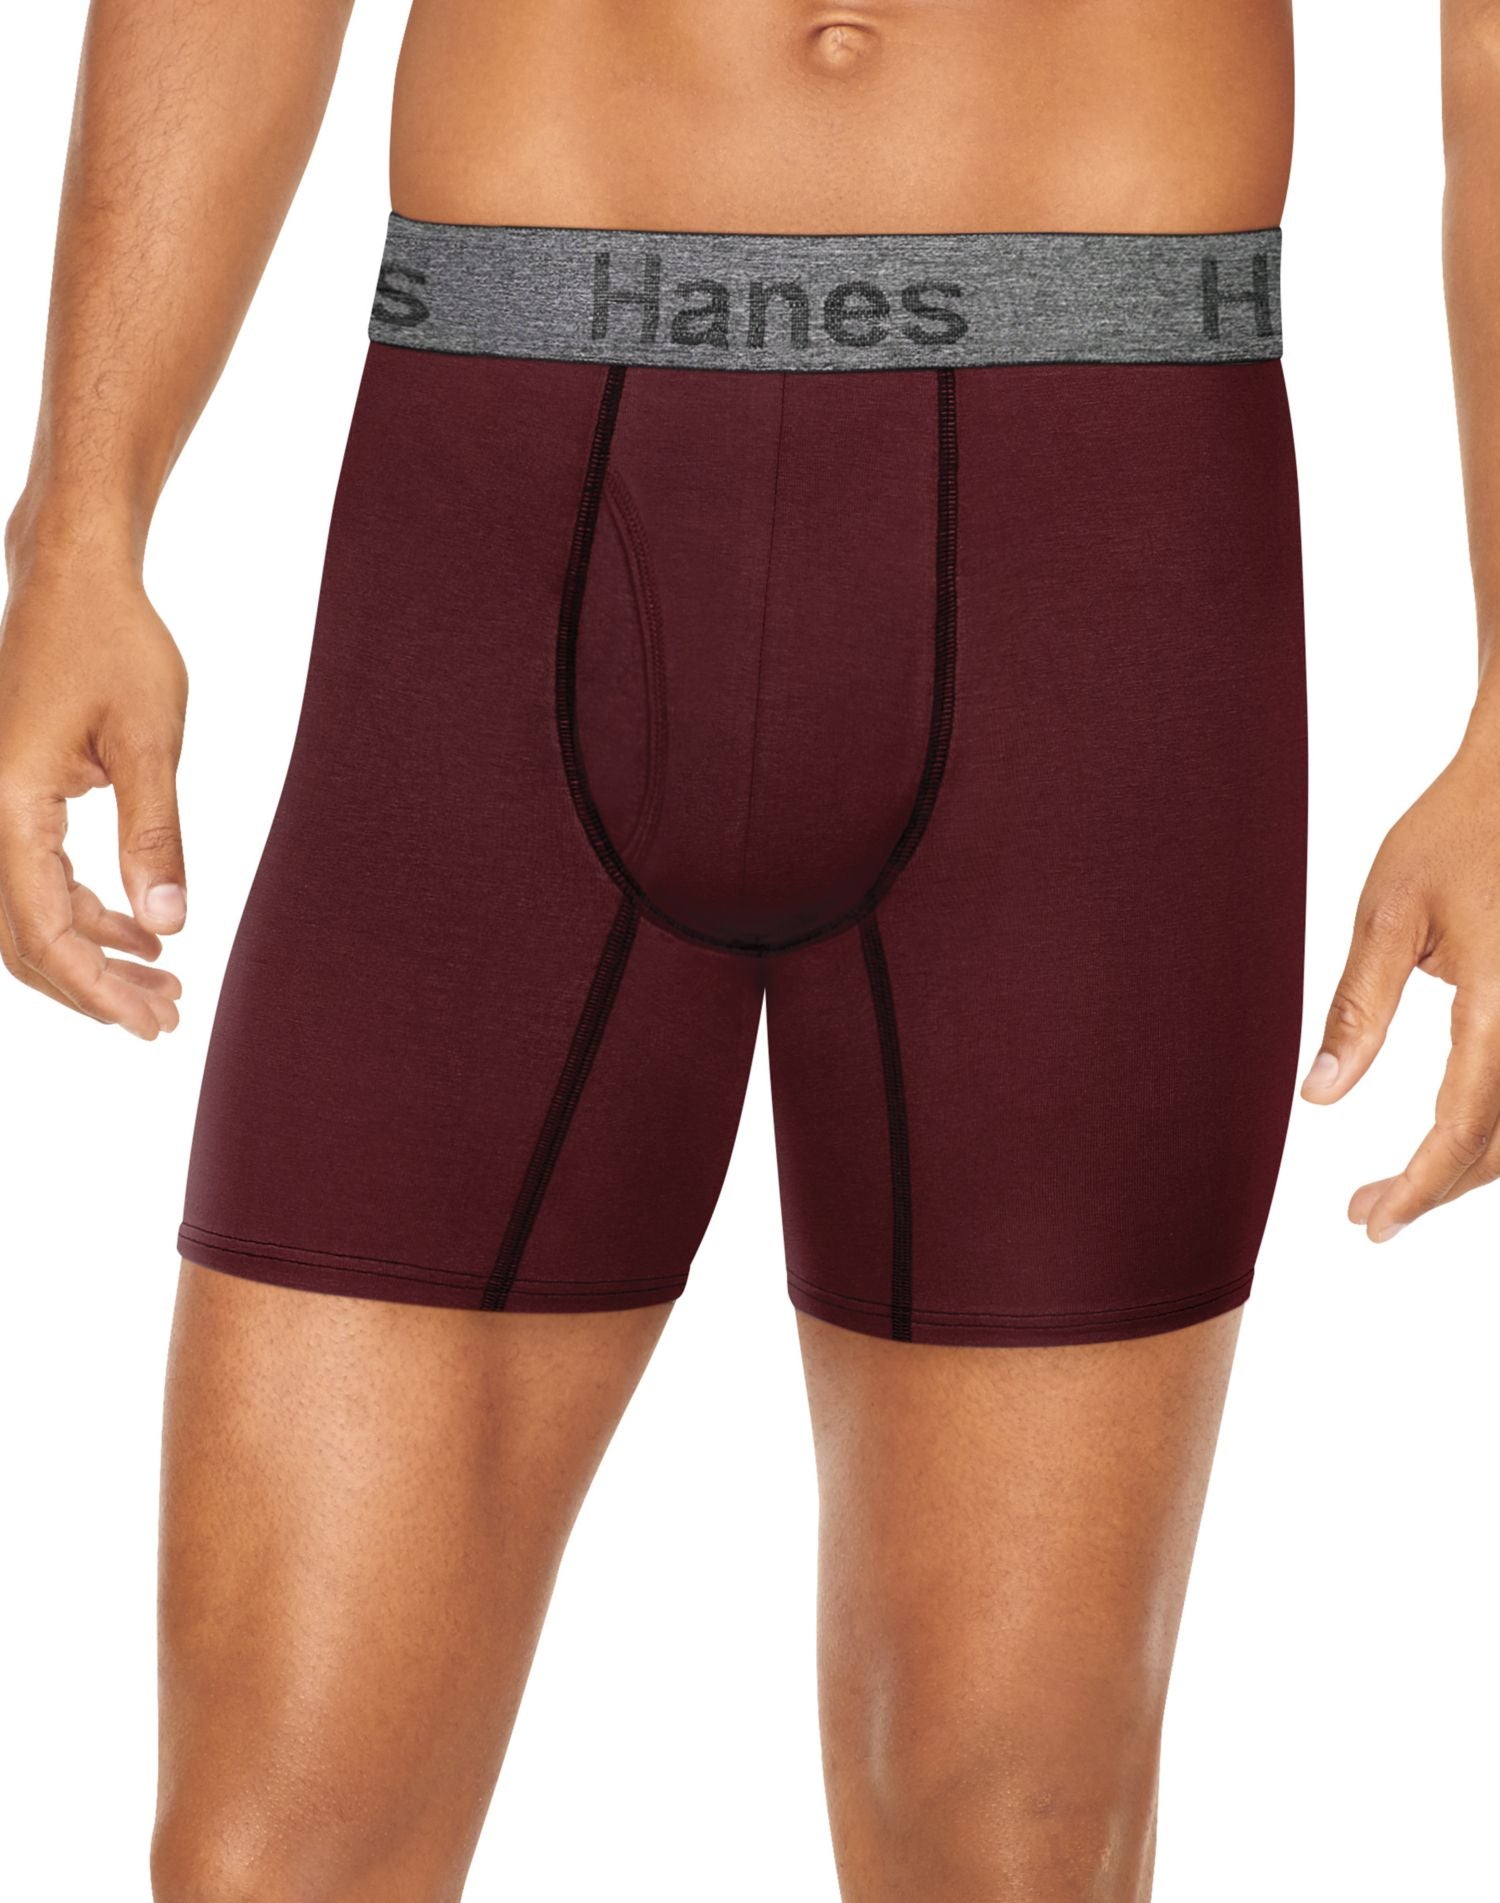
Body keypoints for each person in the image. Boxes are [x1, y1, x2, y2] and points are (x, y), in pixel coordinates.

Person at [1, 3, 1497, 1898]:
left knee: (1007, 1848)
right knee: (266, 1852)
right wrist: (80, 522)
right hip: (498, 496)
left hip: (1096, 547)